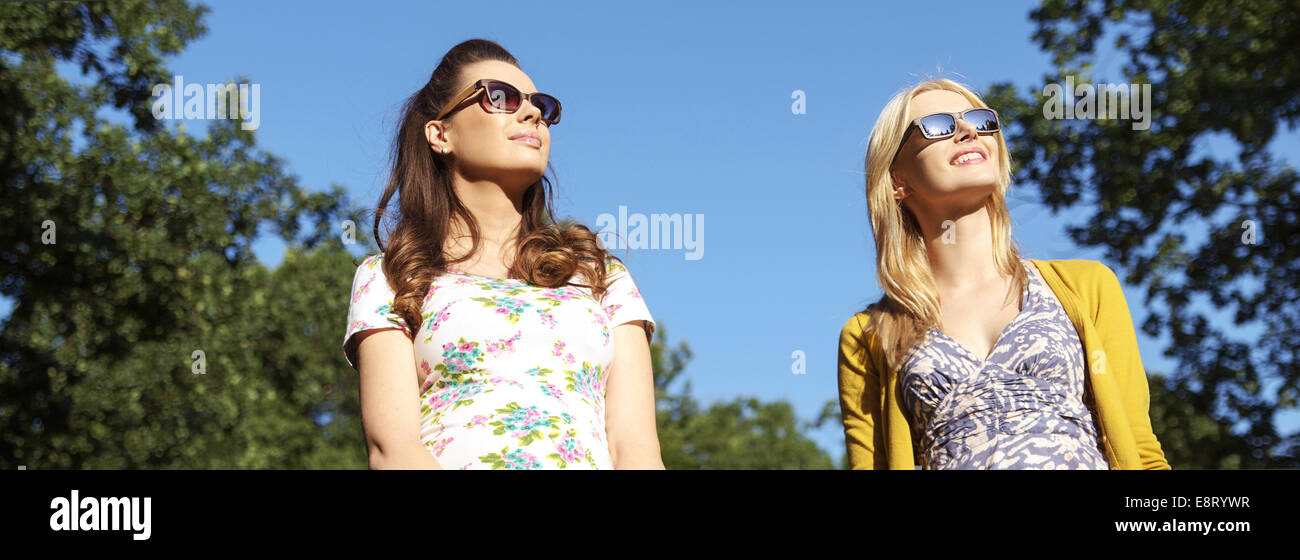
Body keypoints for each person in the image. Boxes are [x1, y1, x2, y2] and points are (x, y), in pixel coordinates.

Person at [344, 39, 663, 470]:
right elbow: (393, 449)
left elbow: (636, 449)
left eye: (541, 105)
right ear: (440, 134)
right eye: (500, 96)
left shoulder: (600, 276)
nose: (531, 113)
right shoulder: (390, 276)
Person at [837, 78, 1171, 470]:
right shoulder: (868, 337)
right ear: (897, 181)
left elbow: (1140, 449)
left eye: (981, 120)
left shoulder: (1086, 287)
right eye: (940, 126)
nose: (968, 131)